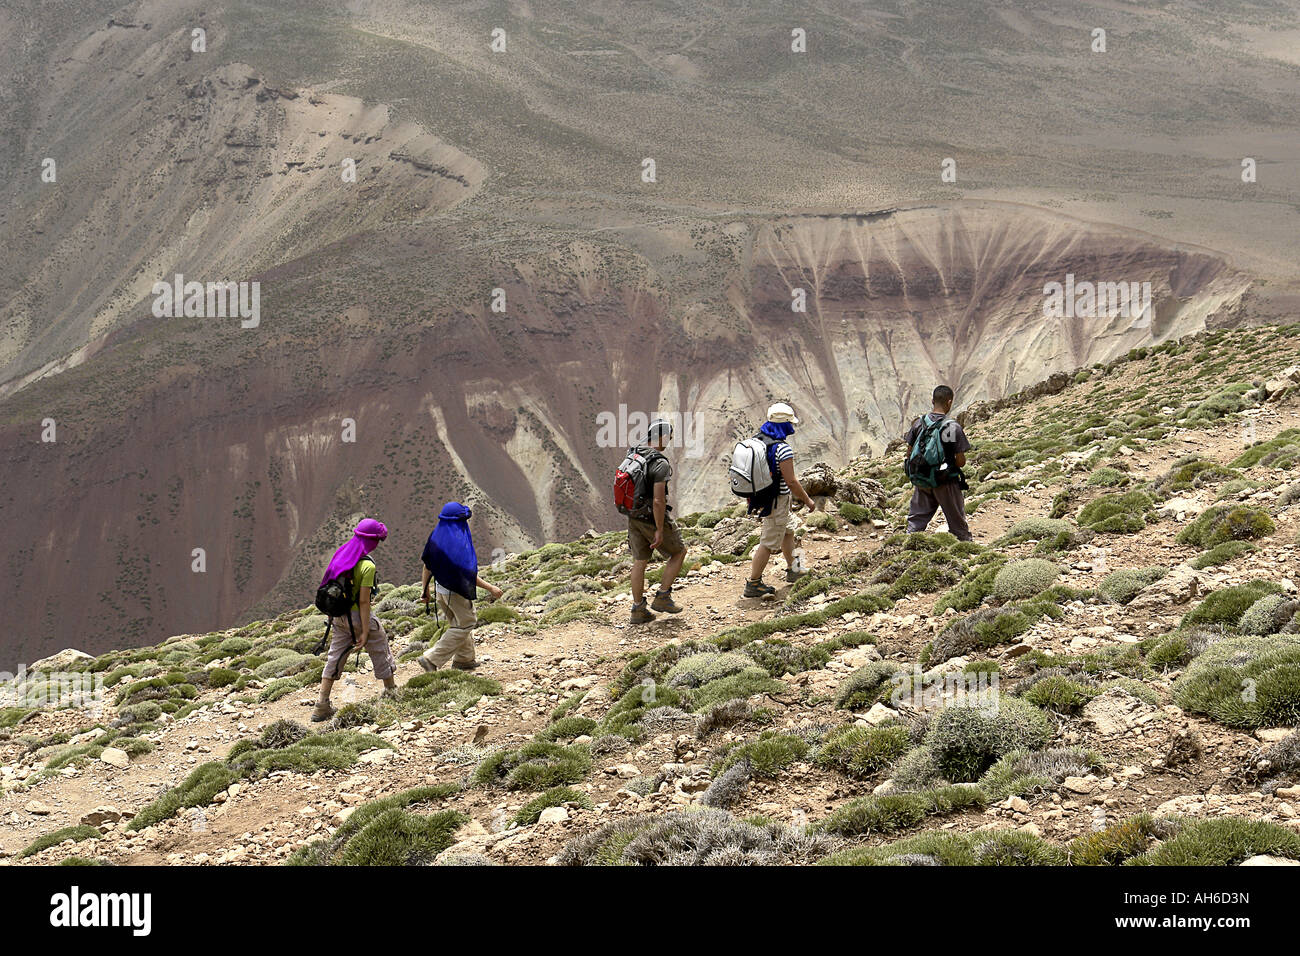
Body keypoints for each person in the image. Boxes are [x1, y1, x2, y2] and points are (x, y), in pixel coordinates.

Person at [312, 518, 396, 722]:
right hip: (358, 616)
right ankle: (391, 692)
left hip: (338, 617)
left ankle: (321, 705)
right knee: (379, 646)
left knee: (335, 656)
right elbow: (364, 601)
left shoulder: (342, 554)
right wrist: (365, 632)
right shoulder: (367, 566)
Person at [419, 501, 504, 671]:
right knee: (466, 623)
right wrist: (491, 588)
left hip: (440, 590)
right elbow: (467, 574)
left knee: (458, 624)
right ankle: (431, 658)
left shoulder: (437, 536)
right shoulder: (457, 543)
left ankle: (464, 660)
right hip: (455, 592)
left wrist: (425, 590)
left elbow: (427, 566)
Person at [744, 403, 816, 598]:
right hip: (777, 501)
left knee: (788, 532)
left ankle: (795, 569)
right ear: (785, 424)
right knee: (768, 542)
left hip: (767, 498)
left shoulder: (758, 441)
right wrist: (808, 501)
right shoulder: (782, 449)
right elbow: (791, 481)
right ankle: (753, 583)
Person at [626, 419, 687, 624]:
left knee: (640, 562)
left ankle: (637, 610)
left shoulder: (634, 454)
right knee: (679, 552)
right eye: (669, 436)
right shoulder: (659, 463)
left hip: (633, 515)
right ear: (660, 436)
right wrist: (660, 529)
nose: (669, 440)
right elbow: (659, 500)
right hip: (651, 518)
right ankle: (662, 597)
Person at [904, 385, 973, 541]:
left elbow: (909, 453)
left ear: (932, 401)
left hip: (921, 479)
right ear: (949, 402)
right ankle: (965, 550)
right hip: (945, 481)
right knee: (957, 523)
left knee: (916, 522)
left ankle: (909, 547)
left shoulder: (918, 424)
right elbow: (961, 462)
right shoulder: (952, 427)